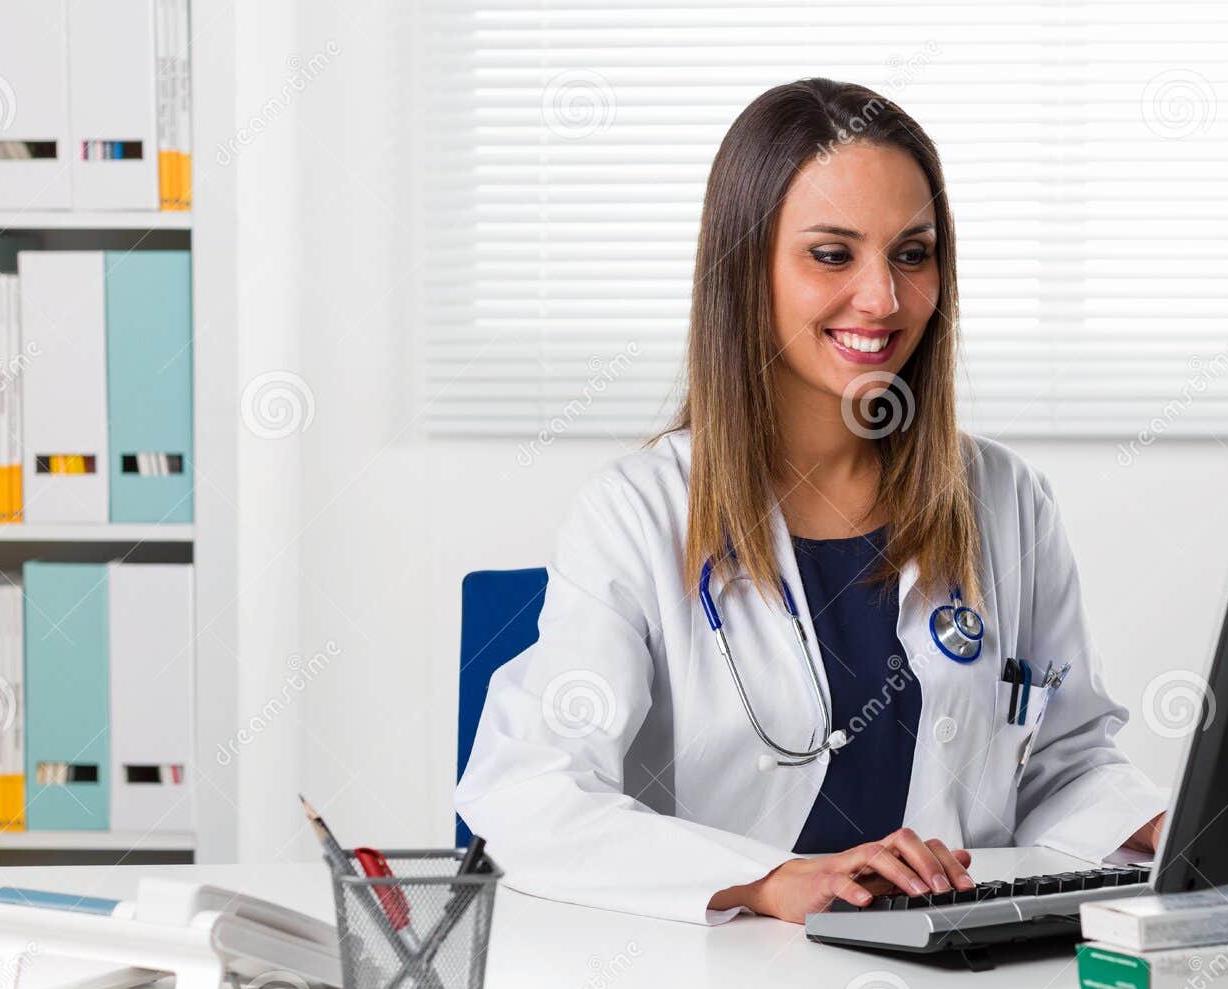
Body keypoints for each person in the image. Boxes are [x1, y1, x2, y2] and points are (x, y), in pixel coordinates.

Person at [457, 78, 1167, 926]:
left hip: (952, 976)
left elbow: (1065, 762)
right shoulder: (637, 514)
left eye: (913, 252)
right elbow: (529, 793)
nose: (883, 298)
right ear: (745, 268)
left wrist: (1165, 825)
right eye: (833, 255)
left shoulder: (1006, 500)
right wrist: (765, 879)